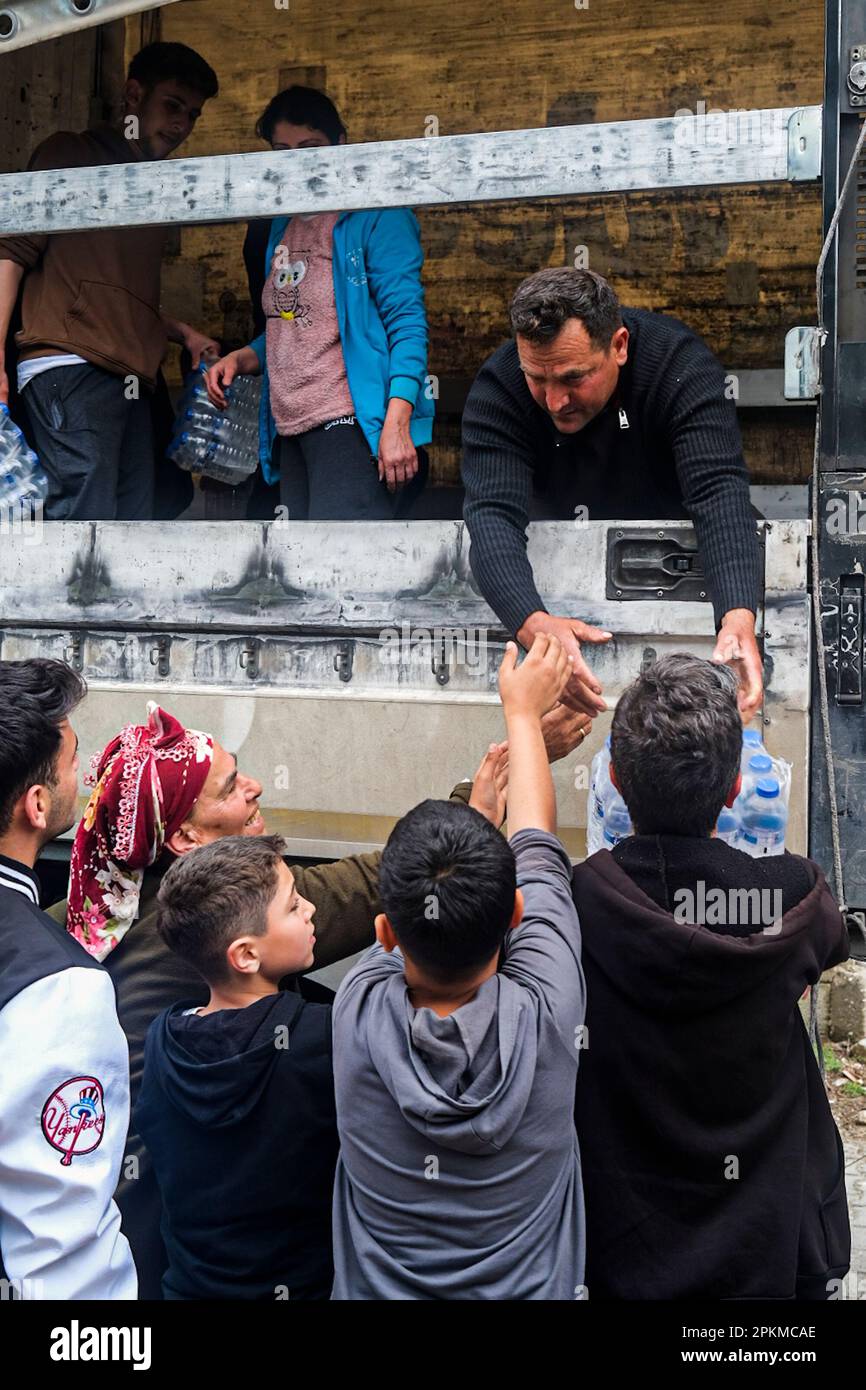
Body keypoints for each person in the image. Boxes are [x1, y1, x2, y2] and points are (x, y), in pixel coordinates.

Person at [47, 694, 587, 1295]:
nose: (253, 787)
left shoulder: (87, 920)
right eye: (228, 788)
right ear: (187, 837)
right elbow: (380, 888)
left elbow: (402, 904)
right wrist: (496, 784)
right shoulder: (310, 1006)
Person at [571, 654, 850, 1300]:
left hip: (623, 1255)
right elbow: (821, 933)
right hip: (767, 1255)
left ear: (614, 777)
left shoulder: (582, 901)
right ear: (732, 793)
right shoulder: (796, 897)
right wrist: (726, 742)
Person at [331, 634, 586, 1300]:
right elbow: (535, 837)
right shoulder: (550, 1013)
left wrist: (480, 804)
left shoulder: (354, 1009)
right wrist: (523, 715)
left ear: (384, 932)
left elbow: (527, 851)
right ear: (517, 916)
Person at [461, 267, 764, 721]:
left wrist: (737, 618)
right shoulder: (500, 387)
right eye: (538, 379)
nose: (555, 400)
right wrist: (534, 626)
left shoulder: (677, 363)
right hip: (559, 595)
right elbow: (491, 515)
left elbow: (717, 490)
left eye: (572, 378)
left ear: (619, 345)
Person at [0, 43, 221, 520]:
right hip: (69, 366)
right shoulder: (70, 153)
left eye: (193, 114)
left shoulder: (153, 187)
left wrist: (185, 334)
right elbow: (10, 258)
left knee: (131, 525)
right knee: (83, 518)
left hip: (132, 379)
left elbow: (119, 288)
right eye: (172, 105)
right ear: (134, 94)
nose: (182, 123)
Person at [206, 86, 433, 519]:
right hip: (291, 429)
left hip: (350, 424)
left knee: (343, 573)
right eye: (282, 150)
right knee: (305, 575)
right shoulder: (283, 225)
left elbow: (407, 323)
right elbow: (298, 321)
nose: (297, 162)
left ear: (339, 146)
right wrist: (241, 358)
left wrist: (397, 422)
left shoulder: (375, 215)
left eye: (310, 148)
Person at [135, 836, 337, 1300]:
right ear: (246, 954)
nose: (309, 909)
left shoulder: (164, 1042)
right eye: (292, 905)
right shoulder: (320, 1038)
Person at [0, 660, 135, 1298]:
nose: (85, 781)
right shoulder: (58, 986)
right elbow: (63, 1262)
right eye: (74, 763)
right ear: (36, 804)